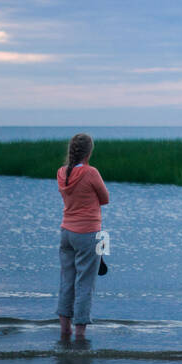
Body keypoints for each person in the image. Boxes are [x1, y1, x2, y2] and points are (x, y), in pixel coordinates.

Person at [56, 133, 109, 339]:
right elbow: (105, 199)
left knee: (67, 281)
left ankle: (64, 330)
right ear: (89, 152)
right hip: (89, 233)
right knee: (85, 283)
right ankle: (80, 334)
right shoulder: (91, 172)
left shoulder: (61, 173)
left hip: (66, 232)